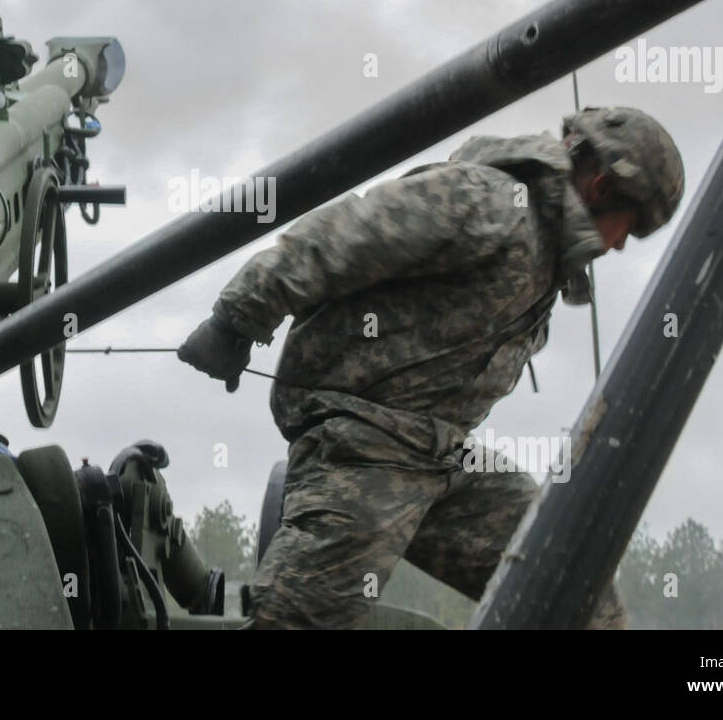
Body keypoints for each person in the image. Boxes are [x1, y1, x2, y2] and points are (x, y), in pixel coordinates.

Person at [178, 106, 685, 629]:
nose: (622, 244)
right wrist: (236, 319)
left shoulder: (547, 253)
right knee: (301, 620)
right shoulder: (488, 202)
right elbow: (343, 234)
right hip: (363, 445)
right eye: (632, 227)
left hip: (440, 454)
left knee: (572, 573)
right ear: (601, 186)